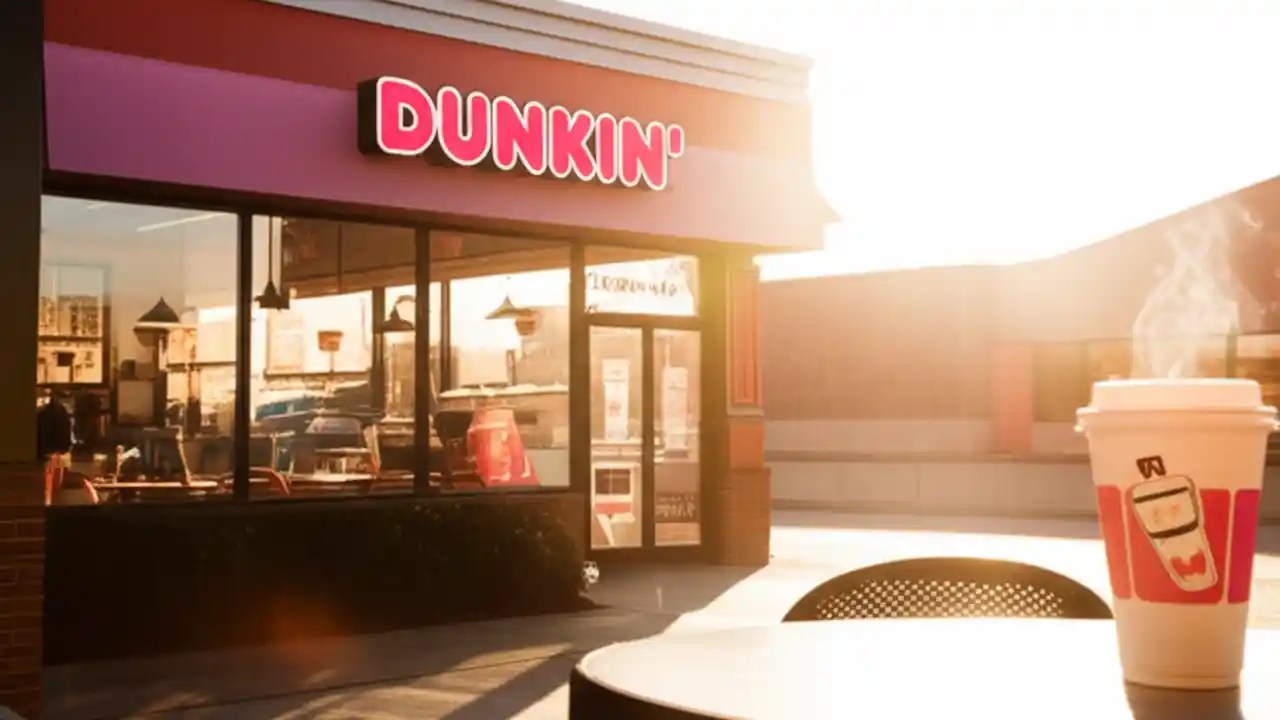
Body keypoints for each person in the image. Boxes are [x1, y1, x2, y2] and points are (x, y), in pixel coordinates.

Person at [37, 393, 74, 505]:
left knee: (48, 486)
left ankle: (49, 504)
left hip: (46, 452)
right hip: (59, 452)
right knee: (56, 487)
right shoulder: (63, 413)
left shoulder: (42, 414)